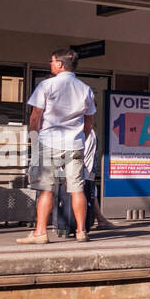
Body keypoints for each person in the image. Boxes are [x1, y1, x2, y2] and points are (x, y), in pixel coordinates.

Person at [18, 48, 96, 244]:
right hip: (75, 143)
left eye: (52, 61)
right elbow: (89, 122)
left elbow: (36, 115)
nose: (50, 64)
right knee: (77, 188)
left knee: (46, 189)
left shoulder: (46, 85)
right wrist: (80, 138)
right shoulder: (85, 89)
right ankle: (80, 232)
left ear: (60, 64)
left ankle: (40, 233)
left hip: (49, 141)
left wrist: (34, 140)